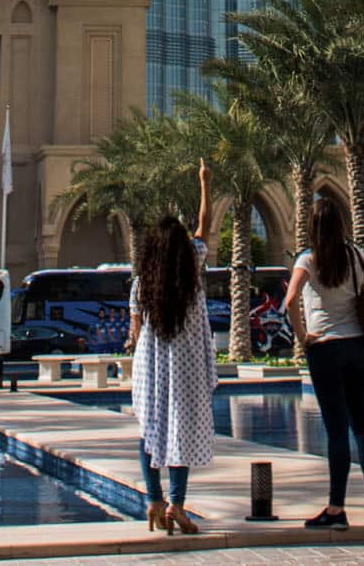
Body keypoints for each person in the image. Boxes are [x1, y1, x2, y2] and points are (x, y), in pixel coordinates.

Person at [281, 193, 364, 527]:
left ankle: (337, 509)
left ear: (312, 228)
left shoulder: (308, 259)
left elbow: (291, 298)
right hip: (358, 348)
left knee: (337, 430)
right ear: (341, 224)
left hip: (325, 349)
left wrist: (302, 336)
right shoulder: (357, 255)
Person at [128, 158, 216, 534]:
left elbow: (134, 333)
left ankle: (153, 500)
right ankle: (176, 505)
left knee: (151, 429)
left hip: (151, 367)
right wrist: (204, 183)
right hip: (185, 365)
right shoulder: (191, 268)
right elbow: (204, 226)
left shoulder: (141, 285)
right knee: (180, 431)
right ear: (181, 249)